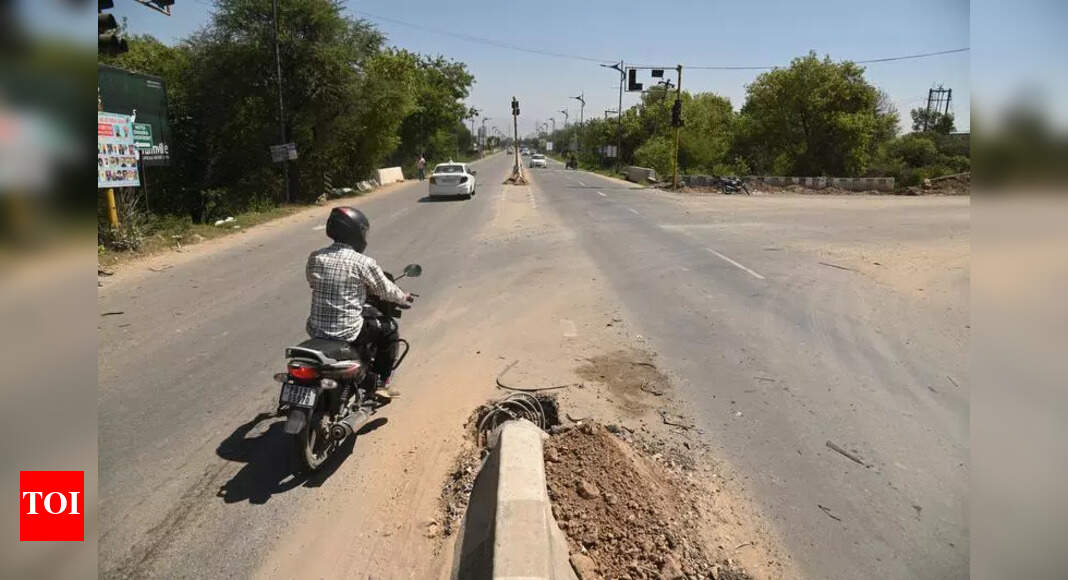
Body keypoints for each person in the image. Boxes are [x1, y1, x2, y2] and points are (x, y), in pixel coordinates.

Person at [305, 207, 413, 398]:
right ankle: (380, 382)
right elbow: (386, 290)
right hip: (347, 331)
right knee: (388, 328)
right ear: (355, 232)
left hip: (316, 329)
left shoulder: (316, 257)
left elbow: (313, 282)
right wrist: (403, 297)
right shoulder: (363, 262)